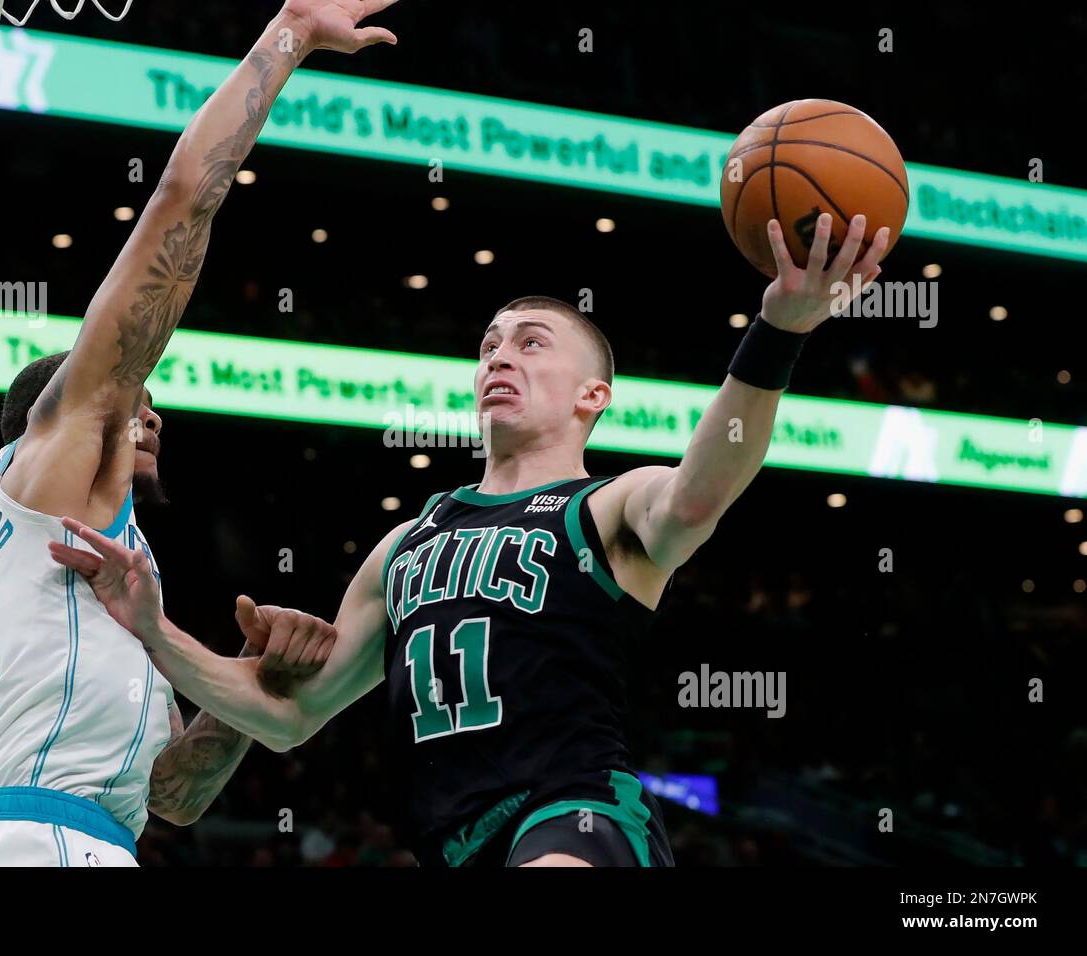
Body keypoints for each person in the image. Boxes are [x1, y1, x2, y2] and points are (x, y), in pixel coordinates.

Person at [53, 194, 888, 865]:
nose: (500, 357)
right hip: (453, 839)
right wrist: (153, 628)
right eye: (489, 345)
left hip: (581, 816)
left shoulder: (608, 506)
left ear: (591, 397)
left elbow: (704, 490)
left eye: (531, 344)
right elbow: (287, 717)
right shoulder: (406, 543)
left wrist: (779, 327)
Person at [0, 0, 401, 866]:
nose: (150, 412)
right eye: (133, 396)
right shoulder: (52, 466)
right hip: (33, 842)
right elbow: (182, 203)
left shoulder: (114, 583)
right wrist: (288, 33)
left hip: (74, 840)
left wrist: (250, 689)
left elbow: (173, 798)